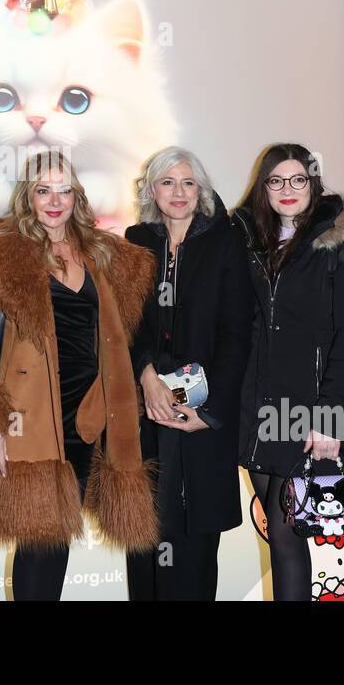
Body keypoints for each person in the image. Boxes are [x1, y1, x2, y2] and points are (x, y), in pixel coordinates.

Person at [0, 150, 158, 600]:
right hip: (30, 417)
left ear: (76, 197)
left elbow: (119, 340)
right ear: (28, 196)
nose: (54, 200)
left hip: (89, 417)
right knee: (40, 544)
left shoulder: (102, 254)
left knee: (60, 540)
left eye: (64, 190)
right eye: (43, 190)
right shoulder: (0, 256)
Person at [230, 143, 344, 601]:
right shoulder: (248, 241)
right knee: (278, 533)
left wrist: (332, 417)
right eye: (276, 180)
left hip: (309, 412)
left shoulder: (341, 243)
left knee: (288, 530)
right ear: (264, 187)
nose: (287, 190)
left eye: (298, 179)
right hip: (255, 409)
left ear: (313, 183)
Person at [125, 147, 253, 600]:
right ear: (152, 190)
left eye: (188, 183)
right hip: (147, 414)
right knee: (144, 544)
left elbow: (238, 334)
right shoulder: (136, 241)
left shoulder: (226, 242)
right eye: (167, 183)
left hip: (202, 422)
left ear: (201, 190)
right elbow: (129, 324)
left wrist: (211, 411)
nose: (178, 192)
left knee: (193, 554)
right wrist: (145, 376)